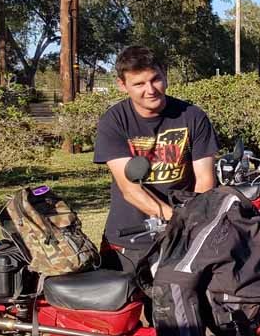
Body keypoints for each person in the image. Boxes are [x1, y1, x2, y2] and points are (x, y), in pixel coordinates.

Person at [94, 46, 219, 276]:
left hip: (184, 236)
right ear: (123, 85)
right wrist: (174, 217)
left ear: (165, 75)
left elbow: (205, 180)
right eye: (139, 84)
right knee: (127, 308)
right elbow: (130, 189)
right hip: (129, 238)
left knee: (182, 308)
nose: (150, 90)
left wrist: (189, 224)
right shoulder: (113, 121)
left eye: (155, 79)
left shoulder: (192, 116)